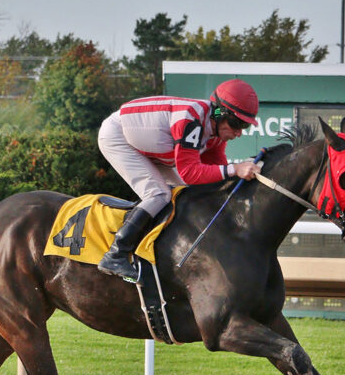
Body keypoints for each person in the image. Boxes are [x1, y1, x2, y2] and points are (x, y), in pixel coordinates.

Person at [96, 79, 262, 281]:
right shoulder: (192, 119)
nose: (239, 132)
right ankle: (116, 254)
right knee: (159, 194)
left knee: (187, 193)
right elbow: (189, 173)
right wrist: (234, 169)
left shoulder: (216, 130)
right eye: (237, 124)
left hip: (151, 146)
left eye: (244, 126)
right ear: (221, 113)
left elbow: (215, 177)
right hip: (118, 137)